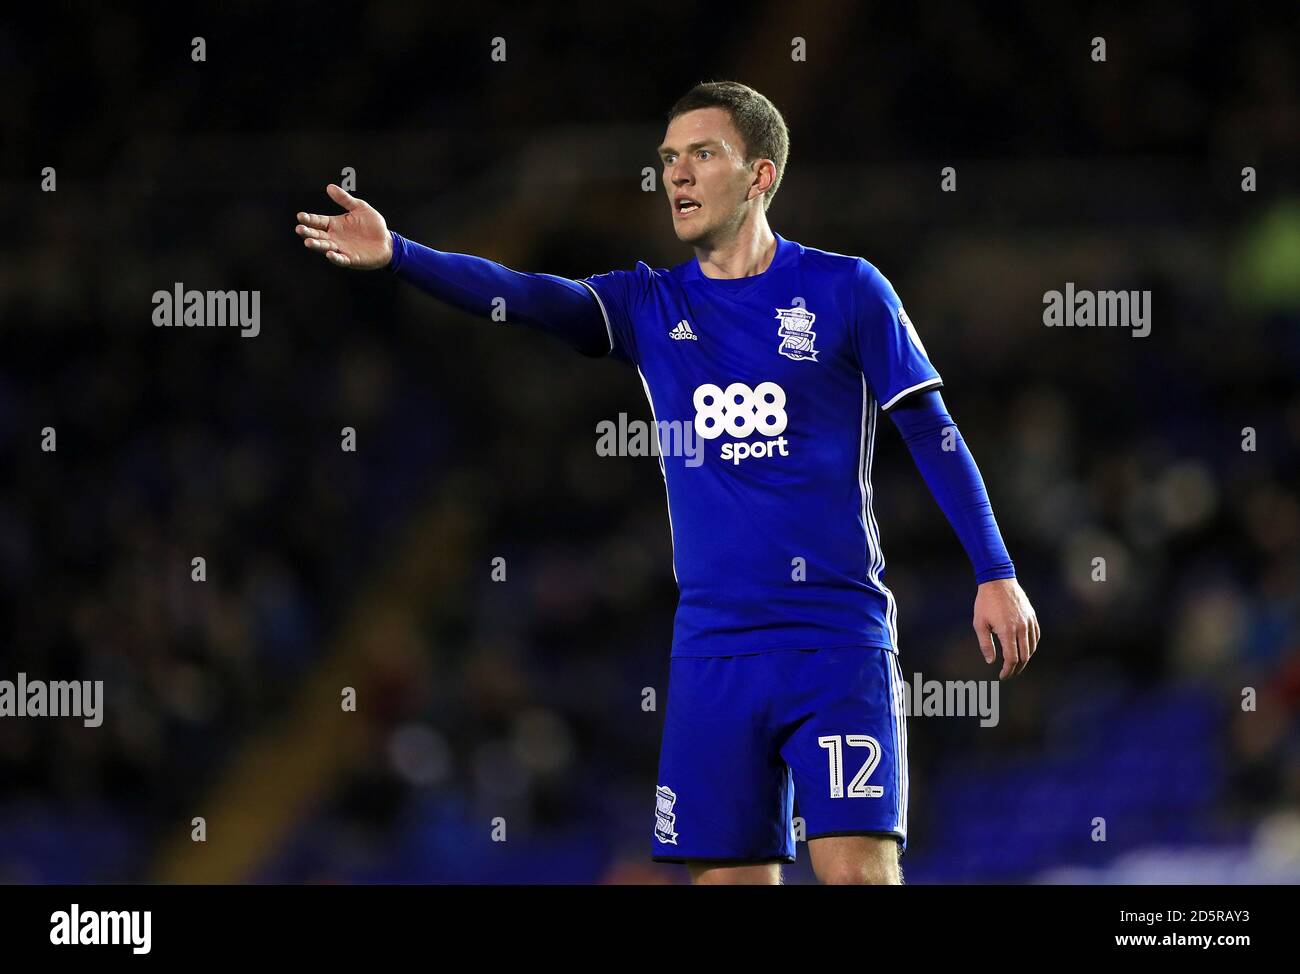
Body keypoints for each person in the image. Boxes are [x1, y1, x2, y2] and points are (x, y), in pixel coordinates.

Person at [293, 80, 1039, 885]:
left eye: (702, 155)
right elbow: (526, 297)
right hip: (712, 651)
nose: (675, 176)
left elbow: (930, 429)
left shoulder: (847, 289)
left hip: (834, 639)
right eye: (668, 160)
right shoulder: (648, 305)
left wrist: (994, 569)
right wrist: (402, 252)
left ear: (761, 176)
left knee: (857, 876)